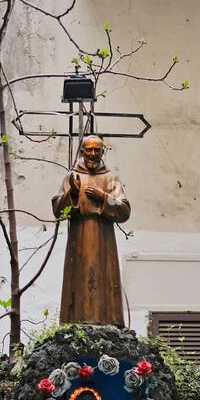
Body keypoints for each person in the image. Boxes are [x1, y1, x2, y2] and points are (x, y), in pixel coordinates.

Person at [51, 135, 131, 326]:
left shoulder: (110, 178)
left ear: (102, 152)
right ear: (82, 151)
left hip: (104, 237)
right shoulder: (72, 177)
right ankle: (77, 320)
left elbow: (124, 209)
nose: (93, 154)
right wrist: (72, 192)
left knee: (103, 278)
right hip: (79, 236)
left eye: (97, 150)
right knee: (79, 278)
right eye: (89, 150)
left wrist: (102, 196)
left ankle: (106, 320)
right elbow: (57, 209)